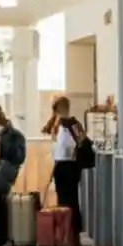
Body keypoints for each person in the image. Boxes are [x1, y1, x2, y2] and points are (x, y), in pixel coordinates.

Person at [43, 96, 85, 234]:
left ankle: (67, 228)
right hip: (70, 165)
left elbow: (59, 147)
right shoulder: (71, 124)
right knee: (71, 197)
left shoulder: (58, 125)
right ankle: (72, 227)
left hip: (61, 165)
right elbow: (81, 142)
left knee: (64, 197)